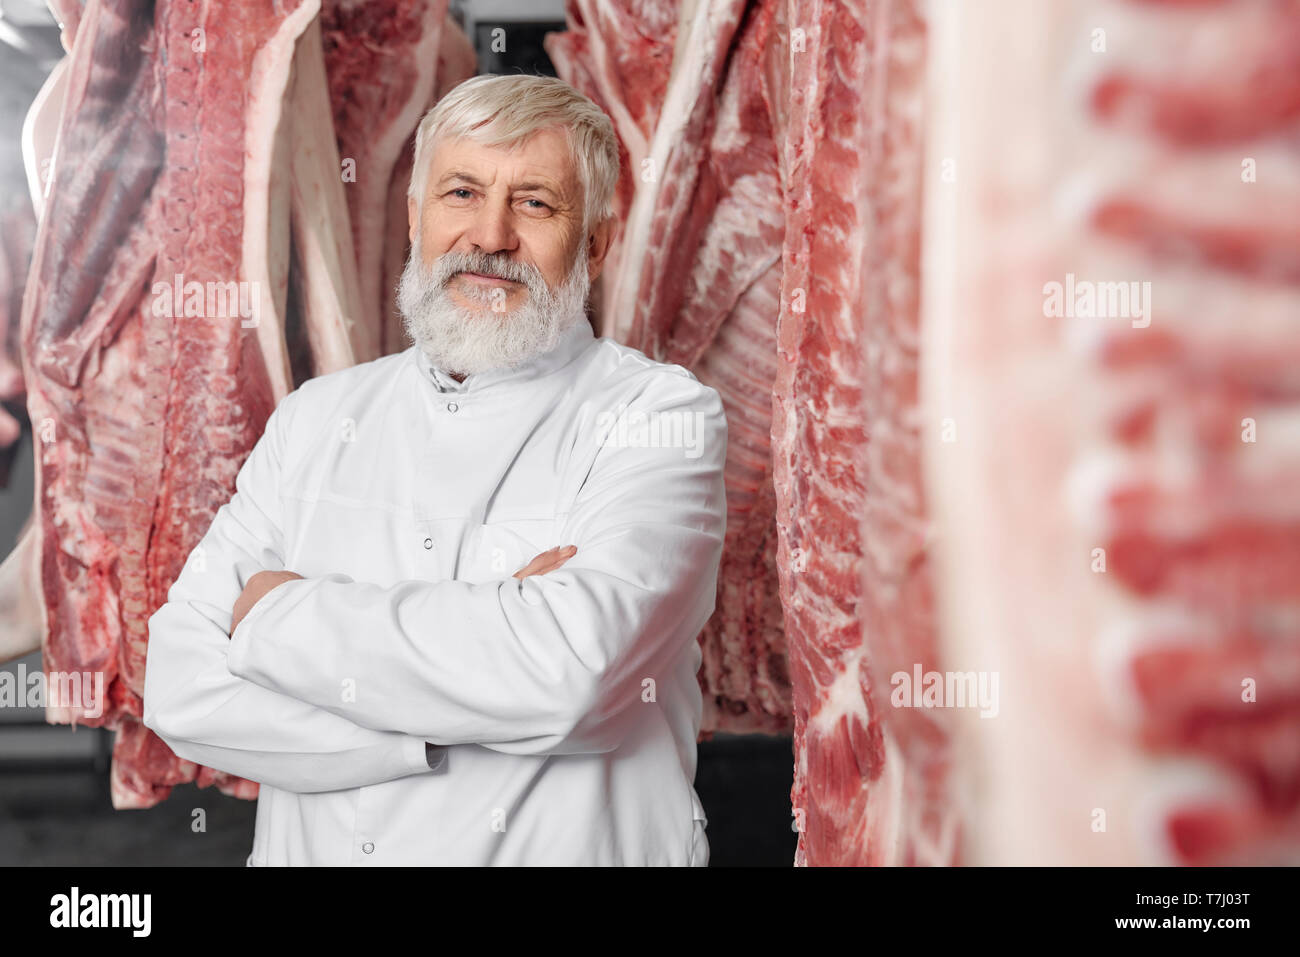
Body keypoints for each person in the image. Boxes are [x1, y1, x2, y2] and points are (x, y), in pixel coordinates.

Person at [143, 74, 726, 866]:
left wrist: (274, 618)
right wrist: (486, 664)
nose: (490, 236)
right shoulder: (318, 416)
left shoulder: (659, 418)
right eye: (461, 192)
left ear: (595, 242)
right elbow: (180, 686)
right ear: (416, 218)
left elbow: (568, 677)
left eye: (535, 203)